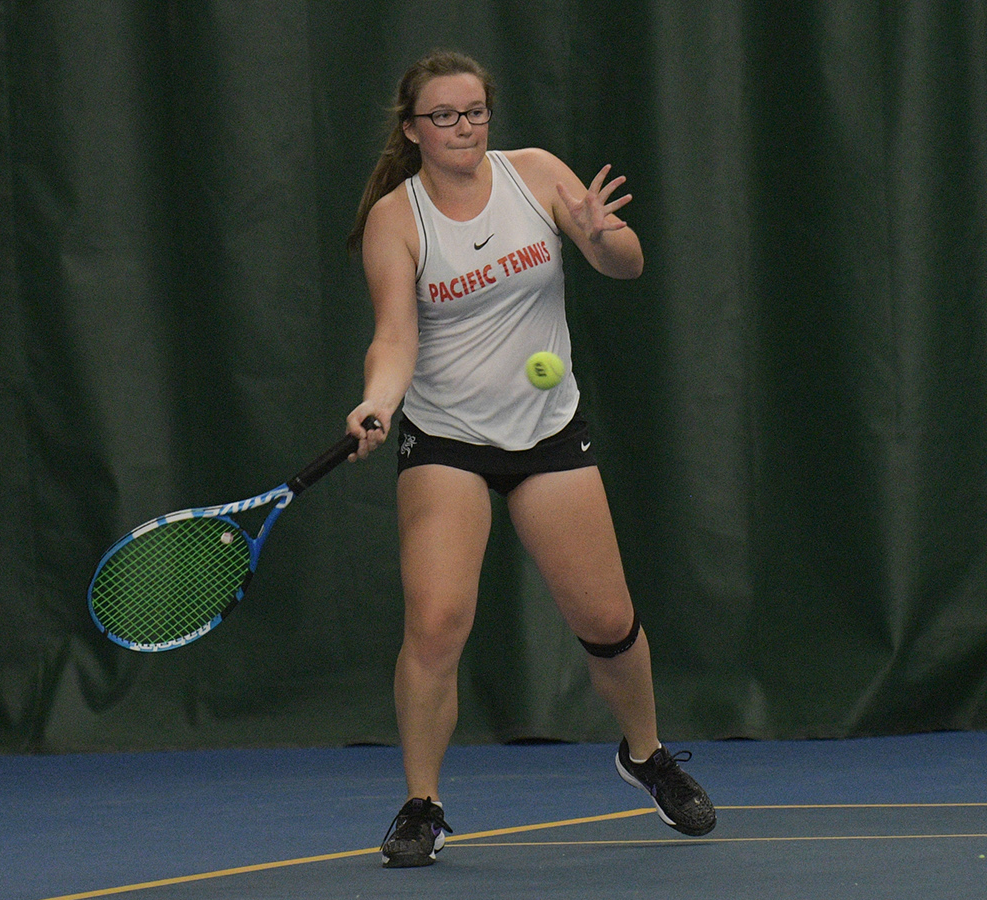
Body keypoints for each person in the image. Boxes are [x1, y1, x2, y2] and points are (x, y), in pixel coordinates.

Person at [342, 49, 715, 869]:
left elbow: (626, 264)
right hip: (445, 438)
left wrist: (599, 234)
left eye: (474, 111)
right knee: (436, 623)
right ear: (413, 129)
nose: (462, 127)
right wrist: (378, 400)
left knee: (606, 623)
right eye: (443, 116)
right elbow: (395, 339)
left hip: (548, 431)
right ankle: (421, 804)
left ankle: (646, 757)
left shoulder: (536, 173)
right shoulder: (397, 219)